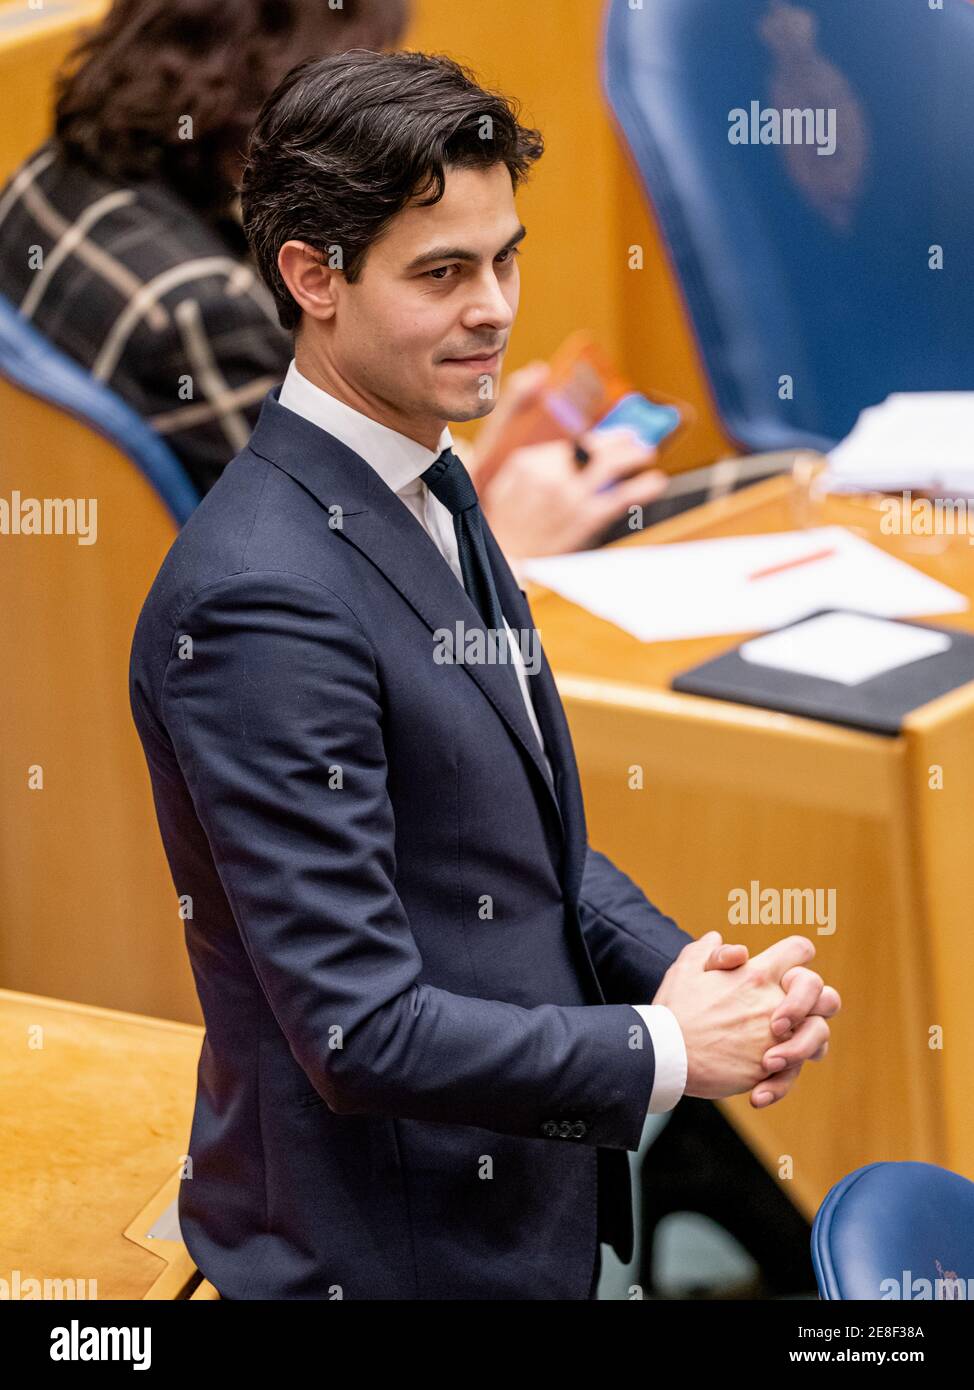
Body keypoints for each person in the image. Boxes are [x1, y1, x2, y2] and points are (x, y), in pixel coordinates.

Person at [128, 49, 839, 1301]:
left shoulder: (432, 472)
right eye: (442, 272)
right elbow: (360, 1029)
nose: (496, 306)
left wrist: (679, 972)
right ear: (314, 278)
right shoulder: (258, 603)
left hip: (522, 1203)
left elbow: (510, 839)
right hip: (394, 1254)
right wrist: (665, 1048)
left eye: (503, 256)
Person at [0, 0, 664, 558]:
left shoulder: (47, 182)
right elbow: (332, 585)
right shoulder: (200, 312)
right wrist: (504, 558)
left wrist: (453, 477)